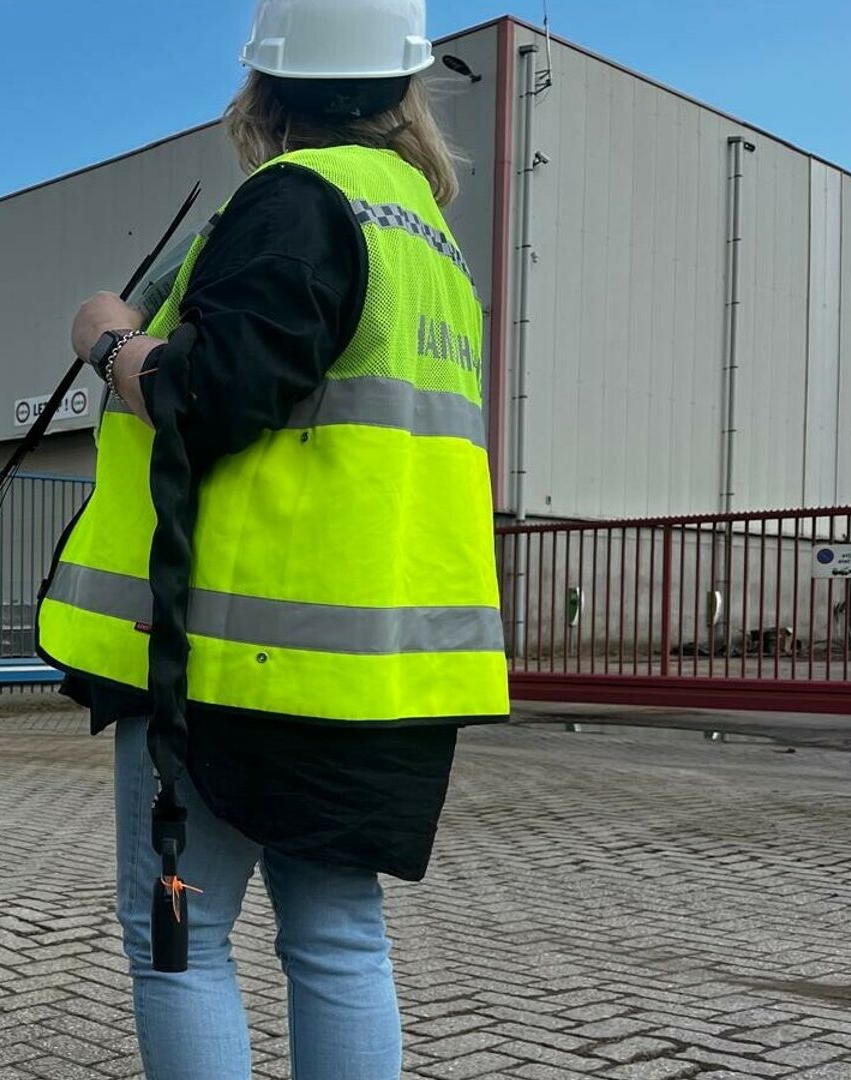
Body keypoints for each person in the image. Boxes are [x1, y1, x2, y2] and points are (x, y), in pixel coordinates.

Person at [36, 0, 508, 1076]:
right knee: (338, 941)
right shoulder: (428, 241)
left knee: (183, 941)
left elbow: (215, 391)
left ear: (261, 91)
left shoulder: (295, 200)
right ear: (405, 86)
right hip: (373, 674)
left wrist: (111, 341)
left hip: (235, 663)